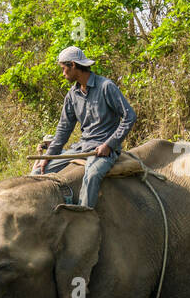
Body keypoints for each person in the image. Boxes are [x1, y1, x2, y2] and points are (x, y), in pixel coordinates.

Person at [42, 46, 136, 211]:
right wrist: (48, 156)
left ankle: (83, 216)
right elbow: (64, 129)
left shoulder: (106, 86)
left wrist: (109, 145)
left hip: (103, 149)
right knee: (43, 169)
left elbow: (130, 116)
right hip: (82, 147)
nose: (63, 74)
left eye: (64, 69)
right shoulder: (72, 95)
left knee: (92, 175)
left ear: (73, 65)